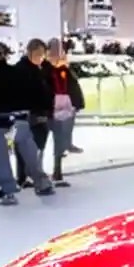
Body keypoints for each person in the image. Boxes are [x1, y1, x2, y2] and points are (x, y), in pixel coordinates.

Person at [0, 42, 53, 205]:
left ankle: (8, 191)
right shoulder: (16, 72)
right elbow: (36, 92)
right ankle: (43, 183)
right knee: (29, 153)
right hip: (21, 120)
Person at [43, 38, 84, 186]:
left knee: (48, 142)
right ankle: (56, 171)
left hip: (51, 110)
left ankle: (49, 172)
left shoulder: (48, 68)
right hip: (57, 109)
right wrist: (77, 104)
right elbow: (74, 87)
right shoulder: (59, 69)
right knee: (57, 141)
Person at [14, 40, 54, 190]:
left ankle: (27, 175)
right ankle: (30, 176)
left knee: (37, 146)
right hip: (29, 113)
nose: (41, 57)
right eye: (39, 54)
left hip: (40, 112)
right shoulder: (22, 70)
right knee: (30, 147)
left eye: (43, 54)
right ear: (30, 52)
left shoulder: (41, 68)